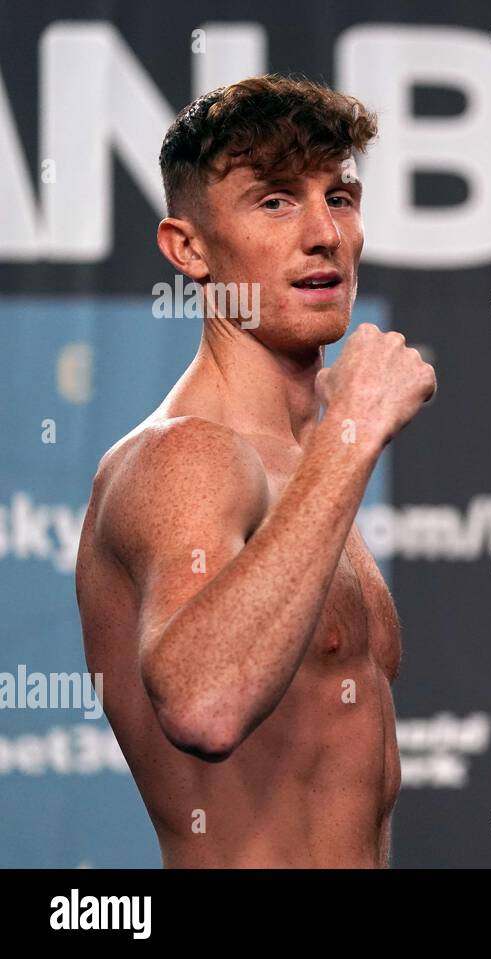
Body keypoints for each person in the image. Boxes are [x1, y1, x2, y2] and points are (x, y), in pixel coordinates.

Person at [75, 75, 435, 867]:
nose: (325, 234)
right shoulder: (186, 455)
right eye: (274, 201)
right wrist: (355, 429)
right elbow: (204, 706)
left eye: (339, 198)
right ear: (189, 248)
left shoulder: (303, 465)